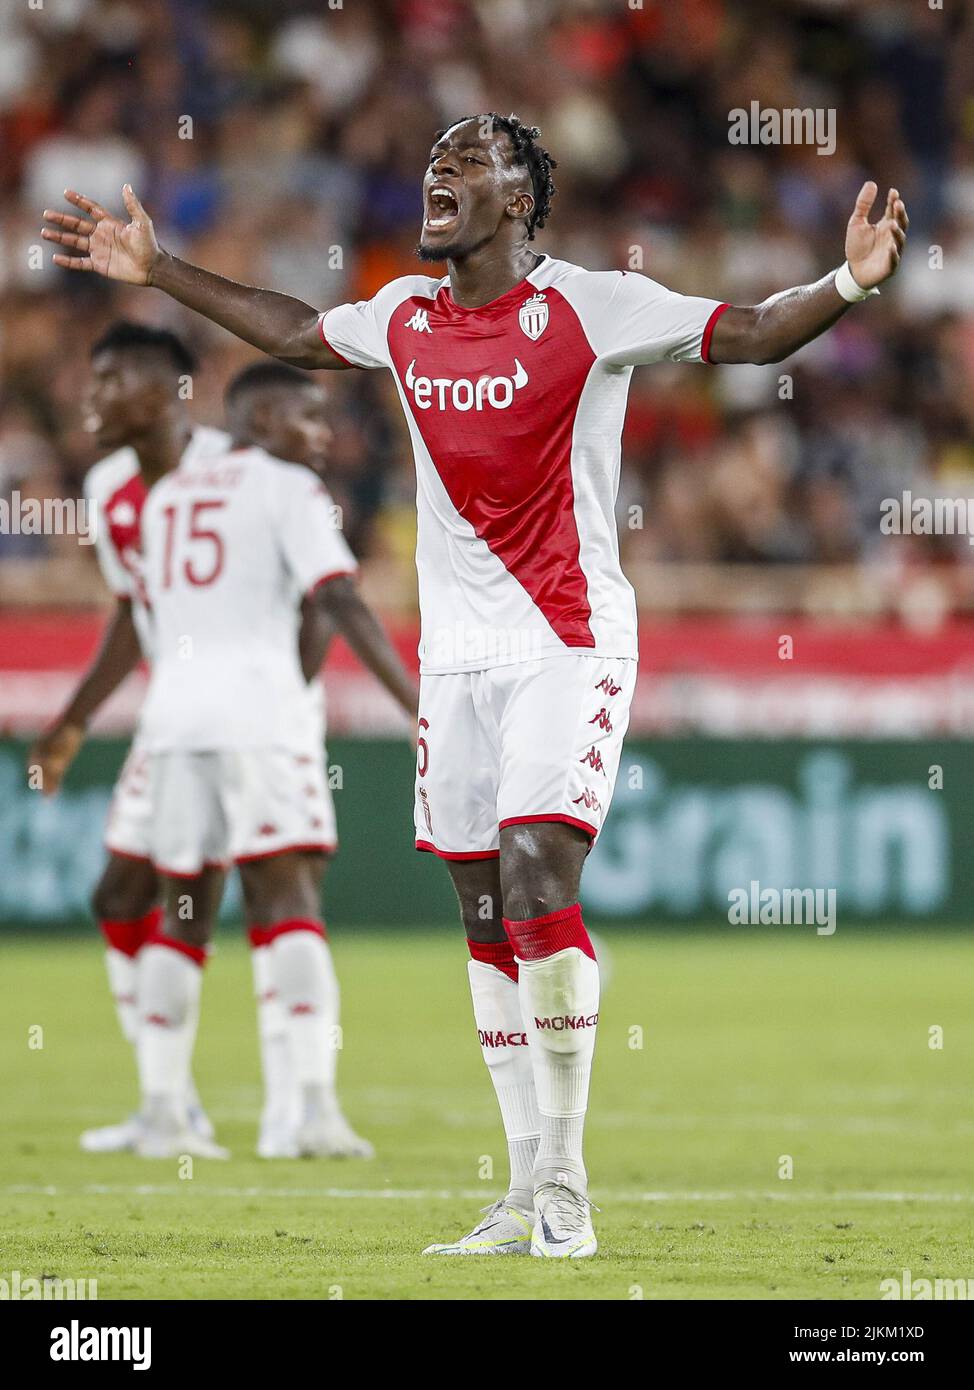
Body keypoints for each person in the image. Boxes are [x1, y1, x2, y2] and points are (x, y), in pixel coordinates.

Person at [42, 111, 908, 1254]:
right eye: (430, 157)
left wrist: (843, 282)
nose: (434, 173)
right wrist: (158, 270)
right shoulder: (402, 315)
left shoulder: (593, 305)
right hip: (456, 656)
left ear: (519, 197)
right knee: (485, 908)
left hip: (567, 636)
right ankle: (518, 1192)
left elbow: (746, 333)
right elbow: (299, 331)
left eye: (463, 161)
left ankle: (564, 1184)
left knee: (536, 869)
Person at [123, 361, 418, 1158]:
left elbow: (158, 614)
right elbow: (338, 598)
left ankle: (160, 1111)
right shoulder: (289, 490)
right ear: (258, 420)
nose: (323, 435)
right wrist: (419, 708)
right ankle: (311, 1114)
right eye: (307, 418)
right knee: (288, 900)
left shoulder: (169, 495)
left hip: (175, 720)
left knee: (182, 911)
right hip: (260, 716)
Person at [30, 320, 228, 1157]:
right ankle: (169, 1101)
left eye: (108, 381)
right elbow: (134, 616)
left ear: (161, 388)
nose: (90, 398)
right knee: (120, 895)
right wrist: (73, 718)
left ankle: (216, 1107)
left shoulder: (233, 469)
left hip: (234, 714)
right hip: (168, 710)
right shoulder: (110, 486)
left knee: (192, 894)